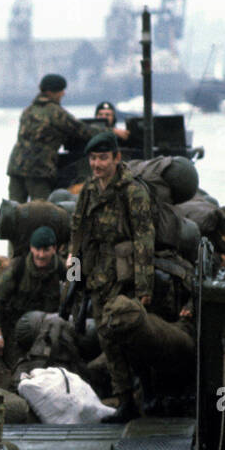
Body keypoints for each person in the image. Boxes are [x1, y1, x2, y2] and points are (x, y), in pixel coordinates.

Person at [67, 131, 156, 418]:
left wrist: (144, 285)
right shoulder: (90, 189)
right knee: (106, 338)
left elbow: (144, 238)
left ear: (117, 158)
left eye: (103, 158)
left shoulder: (132, 191)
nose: (97, 164)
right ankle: (124, 399)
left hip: (124, 277)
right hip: (96, 275)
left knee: (128, 337)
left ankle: (147, 393)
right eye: (93, 158)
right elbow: (78, 229)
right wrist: (74, 265)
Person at [5, 73, 98, 203]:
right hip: (38, 169)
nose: (63, 94)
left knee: (14, 209)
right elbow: (83, 130)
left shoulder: (28, 110)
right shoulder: (55, 112)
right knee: (41, 211)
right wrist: (113, 132)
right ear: (51, 92)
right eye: (61, 90)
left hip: (16, 166)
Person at [0, 225, 67, 372]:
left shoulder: (63, 269)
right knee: (19, 369)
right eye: (37, 249)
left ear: (54, 249)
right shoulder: (18, 268)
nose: (41, 255)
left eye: (46, 250)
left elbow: (76, 292)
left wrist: (74, 263)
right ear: (31, 248)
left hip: (47, 330)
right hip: (15, 330)